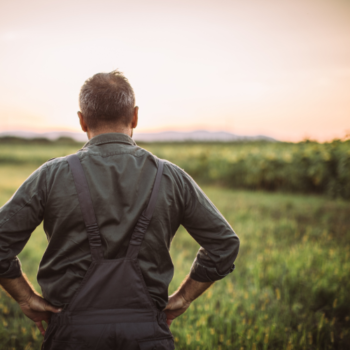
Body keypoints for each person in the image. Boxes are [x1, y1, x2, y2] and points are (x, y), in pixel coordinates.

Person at [0, 70, 240, 349]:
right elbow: (224, 245)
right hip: (148, 335)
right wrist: (184, 298)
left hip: (72, 335)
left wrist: (25, 297)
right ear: (135, 116)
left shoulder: (52, 175)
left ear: (81, 120)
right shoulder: (170, 177)